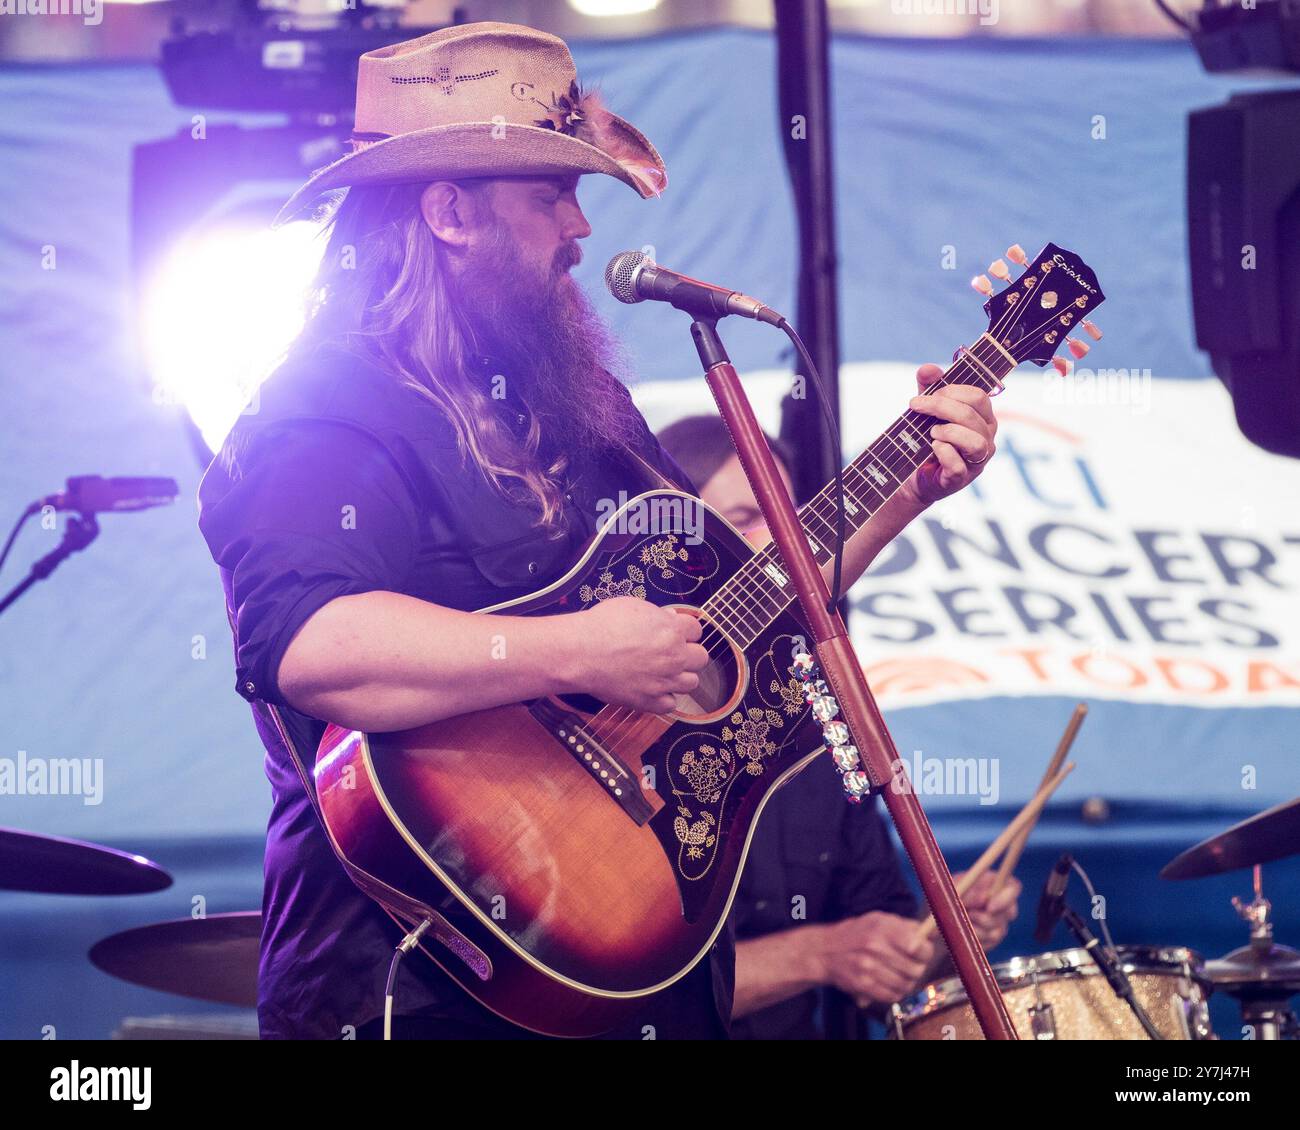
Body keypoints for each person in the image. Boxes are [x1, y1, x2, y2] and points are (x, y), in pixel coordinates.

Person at [197, 22, 1000, 1040]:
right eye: (550, 194)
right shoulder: (324, 406)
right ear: (447, 211)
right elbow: (315, 648)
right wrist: (577, 649)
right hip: (412, 988)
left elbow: (733, 610)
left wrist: (905, 492)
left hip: (635, 977)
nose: (581, 227)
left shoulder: (581, 406)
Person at [657, 416, 1020, 1040]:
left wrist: (938, 935)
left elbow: (888, 969)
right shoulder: (620, 720)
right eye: (744, 518)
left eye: (786, 523)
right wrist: (820, 954)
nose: (774, 544)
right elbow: (620, 991)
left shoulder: (816, 725)